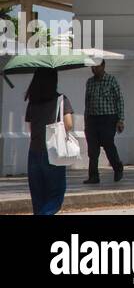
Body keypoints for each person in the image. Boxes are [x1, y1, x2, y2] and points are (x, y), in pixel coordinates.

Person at [25, 70, 74, 215]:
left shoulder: (32, 102)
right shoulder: (61, 99)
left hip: (34, 152)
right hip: (53, 152)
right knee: (55, 195)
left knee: (38, 198)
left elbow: (30, 127)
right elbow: (69, 124)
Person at [83, 60, 125, 184]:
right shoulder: (89, 82)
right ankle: (93, 176)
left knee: (108, 144)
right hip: (92, 118)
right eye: (92, 67)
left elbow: (119, 100)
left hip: (108, 118)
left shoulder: (111, 80)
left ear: (103, 66)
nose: (94, 69)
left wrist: (120, 120)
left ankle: (117, 167)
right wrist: (86, 121)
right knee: (92, 149)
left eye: (96, 66)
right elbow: (87, 102)